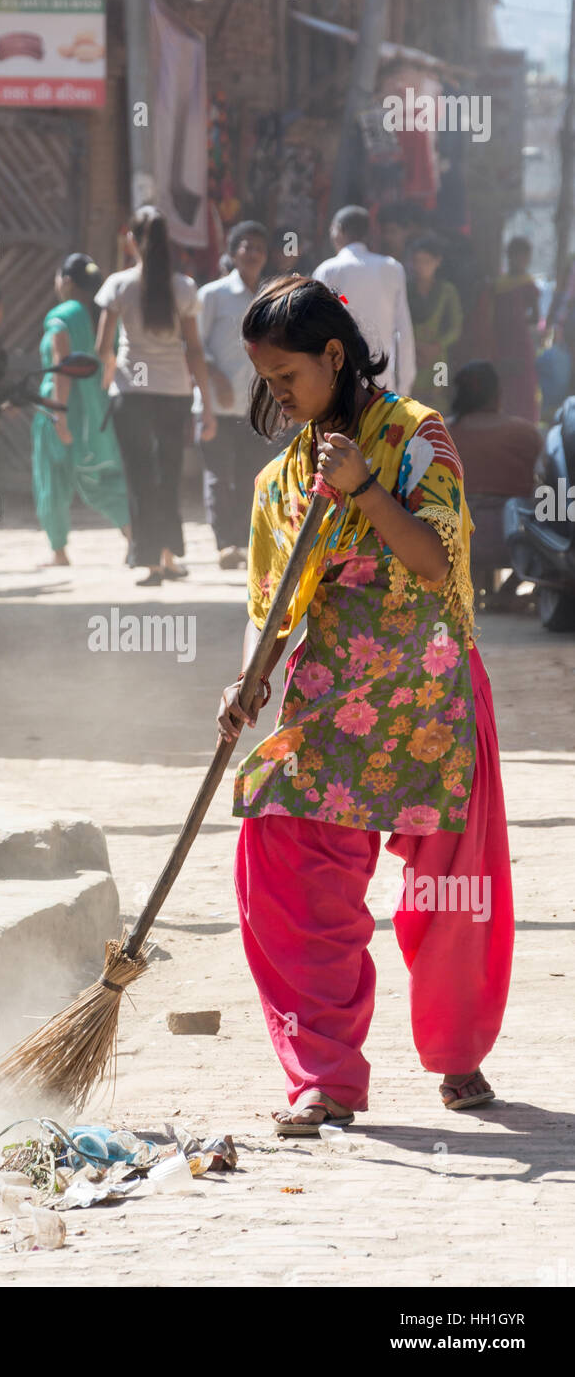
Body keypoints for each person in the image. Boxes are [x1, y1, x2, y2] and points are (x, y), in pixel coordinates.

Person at [217, 275, 514, 1134]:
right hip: (333, 695)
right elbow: (269, 605)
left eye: (286, 378)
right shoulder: (280, 480)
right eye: (266, 381)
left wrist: (363, 490)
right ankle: (326, 1077)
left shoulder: (418, 437)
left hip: (433, 692)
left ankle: (458, 1055)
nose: (274, 396)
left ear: (334, 356)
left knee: (456, 892)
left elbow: (434, 561)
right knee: (278, 849)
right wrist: (251, 680)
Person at [94, 206, 217, 587]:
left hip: (132, 393)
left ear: (131, 240)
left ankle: (147, 562)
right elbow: (194, 350)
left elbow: (103, 348)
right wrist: (207, 406)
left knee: (140, 476)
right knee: (168, 474)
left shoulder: (118, 285)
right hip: (174, 392)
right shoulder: (184, 287)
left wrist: (108, 381)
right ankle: (167, 556)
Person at [30, 254, 130, 568]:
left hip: (61, 408)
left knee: (52, 477)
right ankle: (134, 534)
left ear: (67, 281)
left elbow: (62, 367)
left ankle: (58, 551)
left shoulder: (63, 314)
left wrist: (59, 414)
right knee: (98, 478)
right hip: (95, 412)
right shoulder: (103, 315)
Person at [195, 221, 273, 569]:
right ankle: (225, 544)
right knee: (218, 477)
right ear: (232, 252)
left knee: (251, 478)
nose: (253, 253)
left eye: (259, 247)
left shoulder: (270, 298)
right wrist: (216, 377)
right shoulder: (213, 295)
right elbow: (193, 344)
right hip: (216, 405)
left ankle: (245, 542)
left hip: (256, 408)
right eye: (246, 246)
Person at [447, 360, 541, 602]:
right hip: (512, 542)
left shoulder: (440, 432)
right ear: (498, 395)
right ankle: (507, 592)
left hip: (455, 541)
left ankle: (471, 587)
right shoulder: (525, 433)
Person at [313, 205, 416, 396]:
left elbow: (316, 330)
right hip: (383, 381)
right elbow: (404, 330)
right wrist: (405, 384)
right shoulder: (392, 268)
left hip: (339, 381)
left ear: (339, 230)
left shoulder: (328, 271)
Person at [407, 233, 463, 413]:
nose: (420, 266)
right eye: (417, 261)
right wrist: (414, 345)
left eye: (426, 261)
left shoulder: (447, 291)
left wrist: (437, 346)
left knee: (439, 403)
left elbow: (456, 328)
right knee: (410, 405)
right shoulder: (406, 288)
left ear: (438, 261)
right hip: (411, 355)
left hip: (439, 358)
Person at [492, 237, 540, 423]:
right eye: (519, 257)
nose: (522, 261)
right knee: (505, 385)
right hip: (502, 343)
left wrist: (517, 322)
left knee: (524, 387)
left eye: (525, 258)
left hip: (520, 345)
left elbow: (535, 316)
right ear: (510, 256)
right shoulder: (498, 284)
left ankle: (526, 425)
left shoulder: (527, 283)